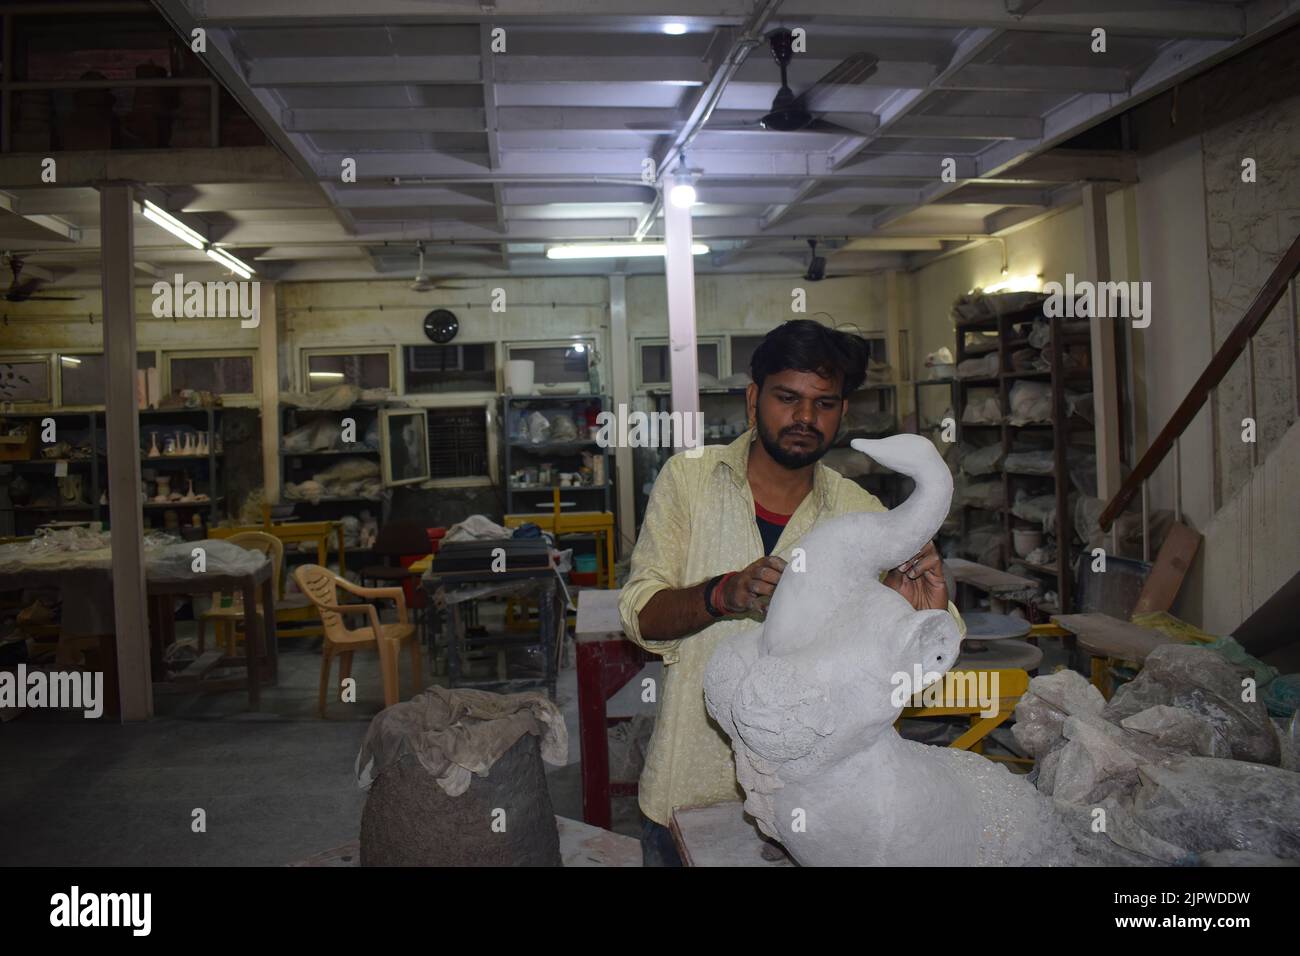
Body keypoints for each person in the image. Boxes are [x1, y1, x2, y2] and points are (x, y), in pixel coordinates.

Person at [618, 319, 964, 866]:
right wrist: (721, 594)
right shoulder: (689, 480)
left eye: (825, 404)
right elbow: (641, 614)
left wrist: (919, 609)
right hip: (689, 792)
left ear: (842, 412)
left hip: (815, 818)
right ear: (754, 399)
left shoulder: (860, 513)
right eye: (788, 397)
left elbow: (938, 645)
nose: (806, 418)